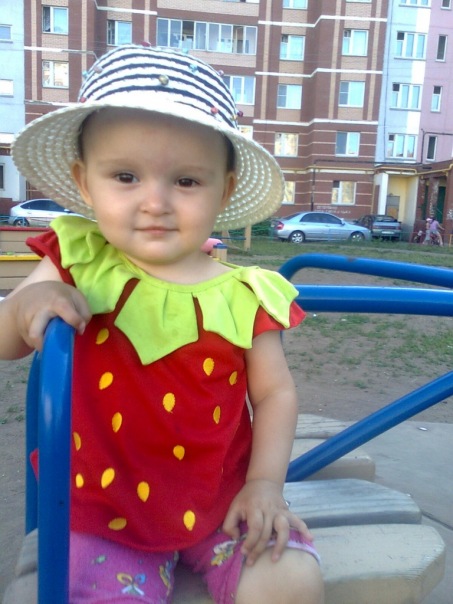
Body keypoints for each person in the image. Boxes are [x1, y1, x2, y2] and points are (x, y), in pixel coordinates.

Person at [0, 46, 324, 604]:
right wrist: (28, 303)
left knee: (292, 581)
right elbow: (6, 340)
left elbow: (275, 394)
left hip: (223, 503)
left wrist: (265, 485)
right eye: (126, 176)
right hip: (102, 509)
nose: (156, 202)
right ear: (85, 182)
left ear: (224, 191)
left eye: (187, 181)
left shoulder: (246, 293)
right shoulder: (77, 260)